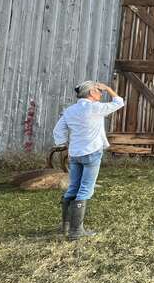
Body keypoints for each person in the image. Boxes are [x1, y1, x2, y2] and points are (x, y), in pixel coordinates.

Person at [53, 81, 125, 240]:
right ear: (91, 92)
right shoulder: (95, 108)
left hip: (75, 153)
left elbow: (58, 131)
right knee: (85, 188)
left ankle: (65, 226)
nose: (101, 93)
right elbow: (119, 102)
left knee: (72, 187)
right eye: (99, 91)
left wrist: (65, 145)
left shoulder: (70, 111)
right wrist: (109, 88)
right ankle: (76, 230)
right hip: (92, 152)